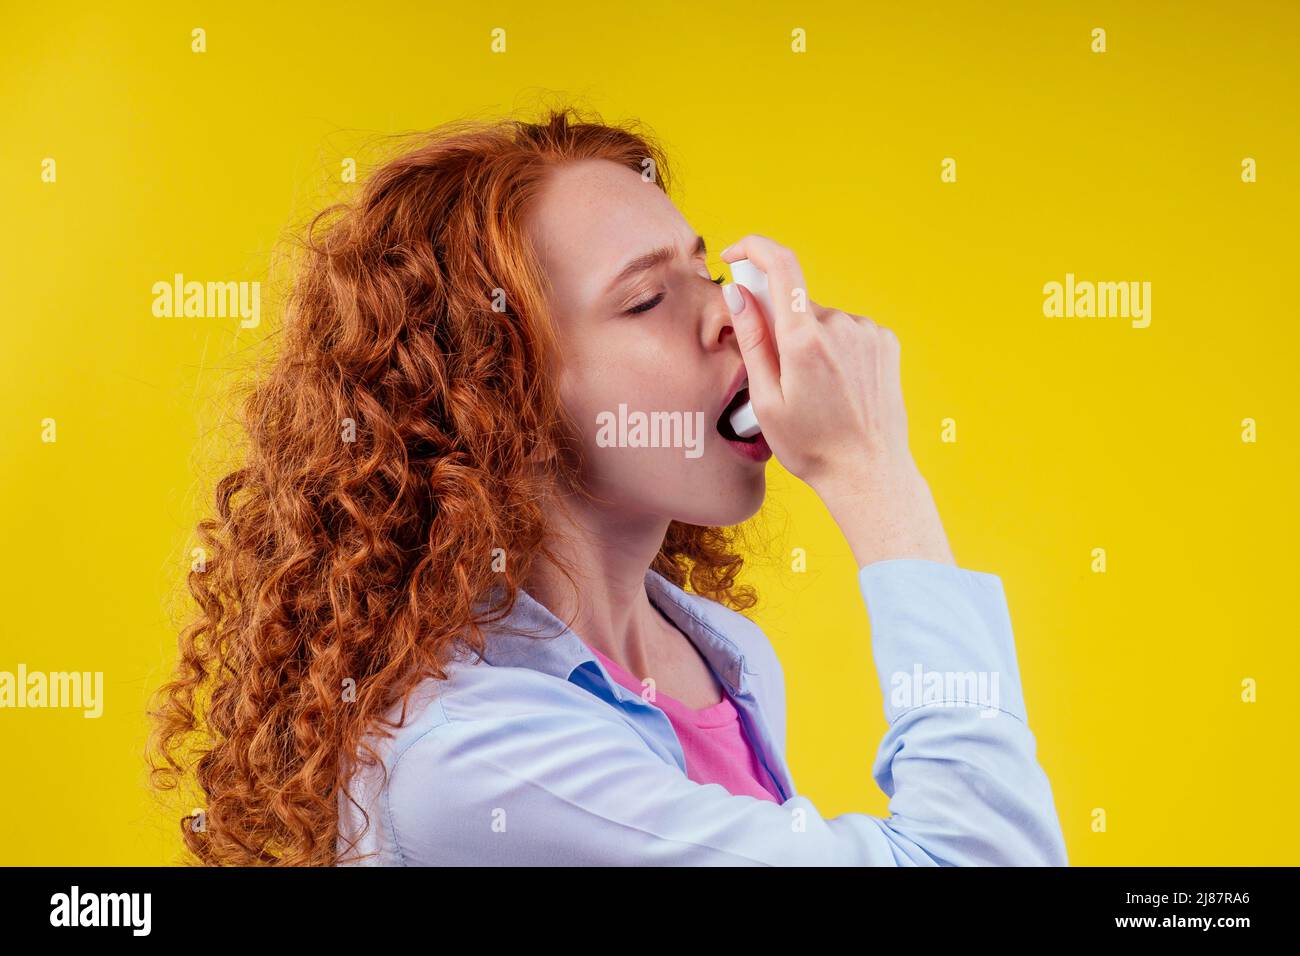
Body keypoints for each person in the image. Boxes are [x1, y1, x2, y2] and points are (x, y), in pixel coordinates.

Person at [148, 106, 1067, 867]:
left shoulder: (717, 657)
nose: (729, 316)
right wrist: (874, 474)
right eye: (645, 300)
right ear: (496, 400)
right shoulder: (479, 762)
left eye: (704, 271)